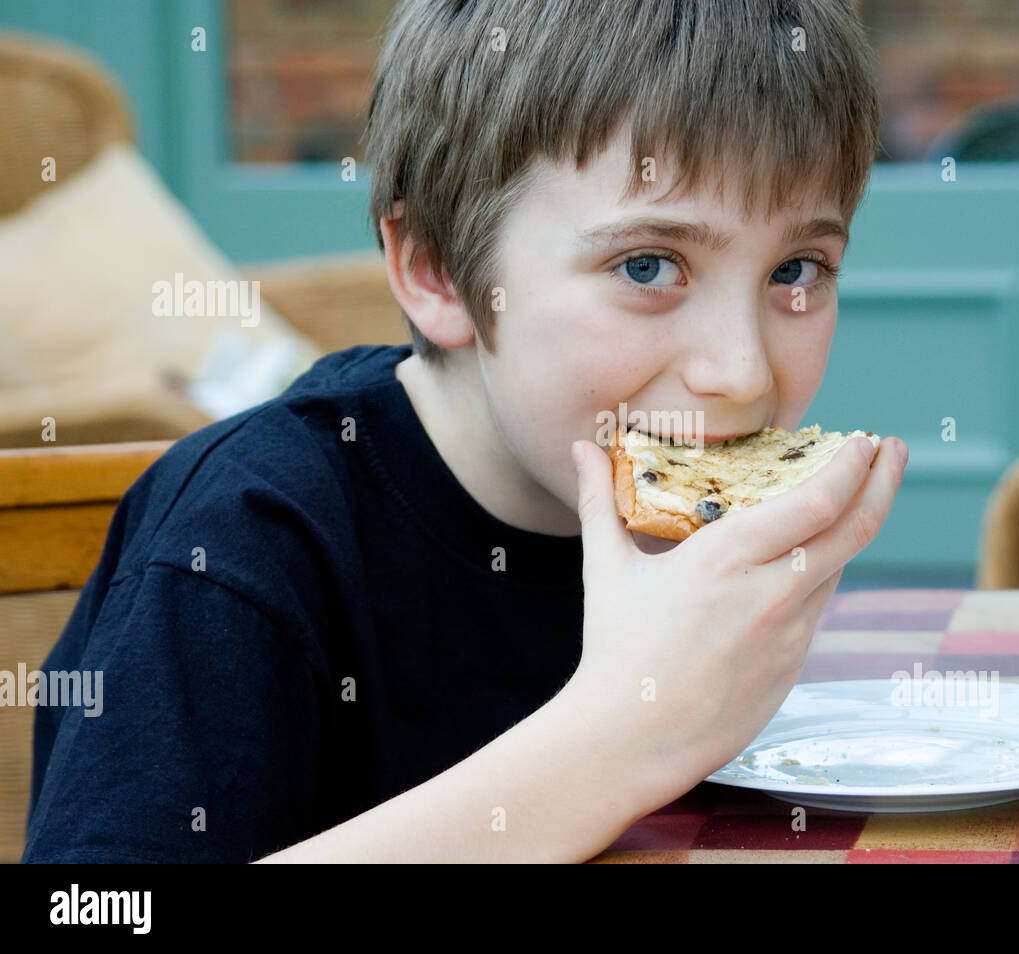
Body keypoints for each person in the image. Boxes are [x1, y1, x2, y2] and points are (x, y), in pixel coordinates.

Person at [23, 0, 908, 863]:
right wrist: (624, 735)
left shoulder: (680, 526)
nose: (744, 373)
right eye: (648, 265)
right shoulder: (240, 546)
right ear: (437, 272)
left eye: (797, 269)